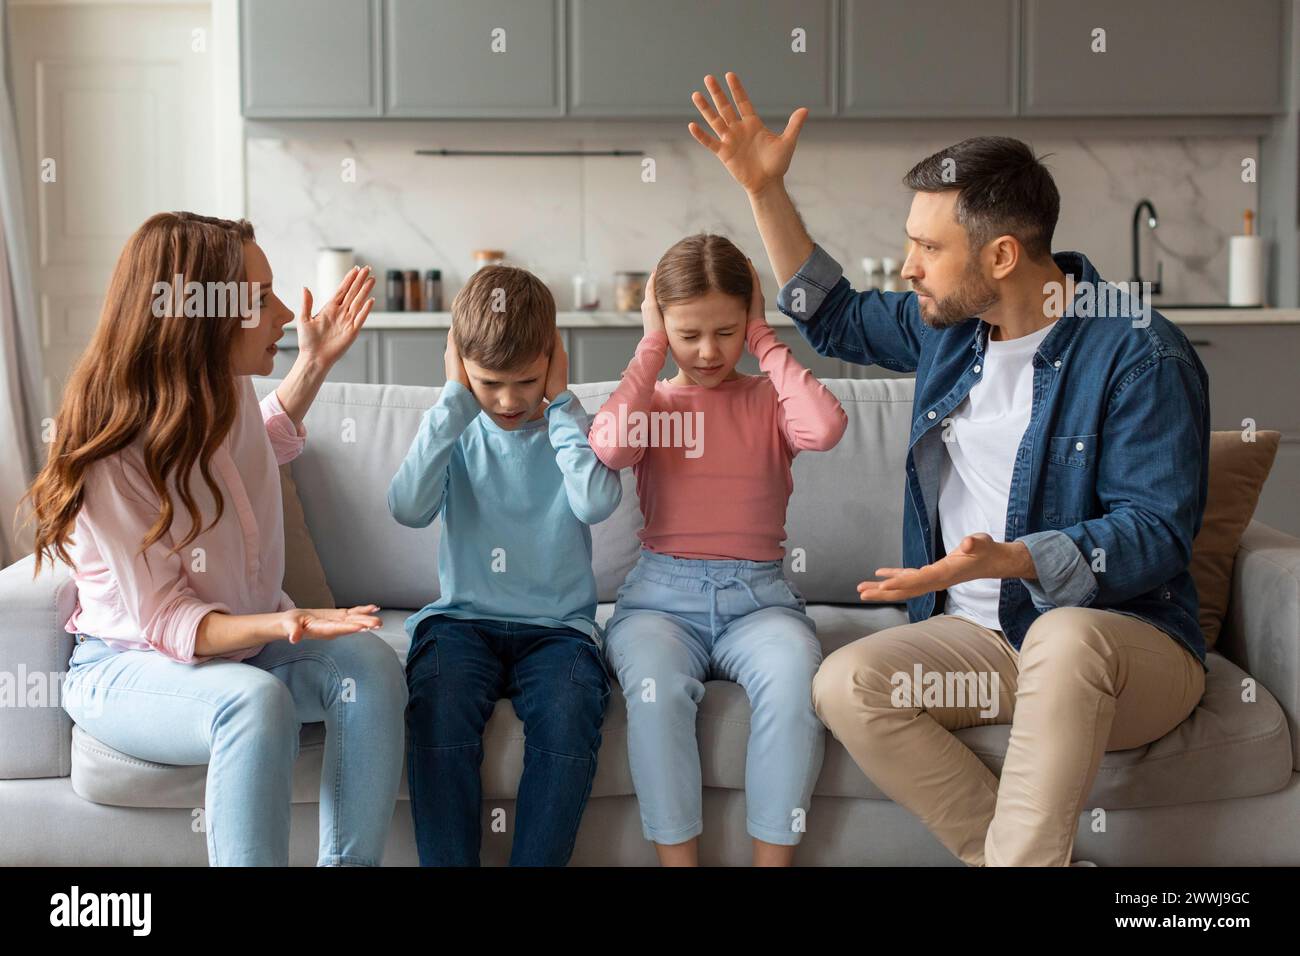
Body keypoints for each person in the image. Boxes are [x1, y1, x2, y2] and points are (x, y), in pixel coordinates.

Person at [689, 72, 1209, 866]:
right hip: (983, 644)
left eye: (929, 248)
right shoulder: (953, 329)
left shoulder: (1137, 351)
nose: (908, 267)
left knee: (1065, 640)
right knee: (846, 684)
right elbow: (831, 316)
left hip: (1120, 651)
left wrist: (1019, 558)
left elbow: (1154, 534)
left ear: (1001, 255)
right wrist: (765, 190)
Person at [23, 211, 406, 866]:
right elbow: (175, 624)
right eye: (261, 299)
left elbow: (261, 444)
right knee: (253, 703)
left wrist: (314, 364)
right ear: (197, 315)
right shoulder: (108, 453)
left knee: (369, 667)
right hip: (127, 666)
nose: (286, 313)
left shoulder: (220, 392)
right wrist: (288, 620)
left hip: (242, 648)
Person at [591, 233, 847, 866]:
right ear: (662, 326)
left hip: (759, 603)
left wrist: (765, 339)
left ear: (749, 322)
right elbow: (610, 449)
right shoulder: (652, 403)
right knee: (654, 691)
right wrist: (651, 347)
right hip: (659, 603)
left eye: (727, 332)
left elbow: (826, 427)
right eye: (688, 333)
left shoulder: (770, 401)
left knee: (793, 681)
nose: (708, 352)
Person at [389, 264, 622, 866]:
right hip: (462, 622)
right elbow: (407, 508)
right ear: (459, 363)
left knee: (571, 714)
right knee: (438, 705)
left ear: (554, 359)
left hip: (558, 631)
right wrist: (450, 402)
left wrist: (565, 404)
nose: (511, 400)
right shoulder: (456, 426)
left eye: (527, 380)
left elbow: (596, 501)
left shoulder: (573, 426)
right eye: (490, 381)